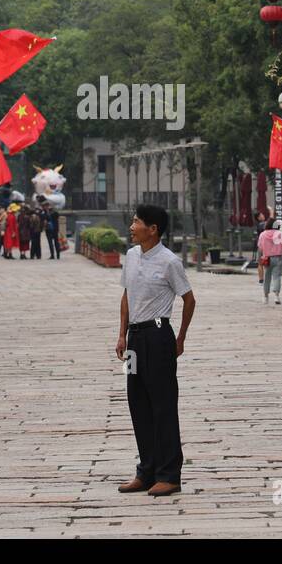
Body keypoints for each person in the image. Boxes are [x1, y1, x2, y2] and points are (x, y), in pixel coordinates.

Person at [115, 204, 195, 497]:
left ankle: (169, 474)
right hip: (135, 340)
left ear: (153, 230)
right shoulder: (132, 256)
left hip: (159, 338)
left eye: (136, 222)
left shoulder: (169, 261)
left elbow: (189, 300)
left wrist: (181, 338)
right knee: (137, 401)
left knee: (162, 405)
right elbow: (126, 295)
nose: (132, 226)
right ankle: (146, 471)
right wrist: (121, 333)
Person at [257, 218, 282, 305]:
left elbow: (260, 248)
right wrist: (280, 251)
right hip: (278, 258)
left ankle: (265, 297)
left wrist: (260, 258)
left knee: (267, 278)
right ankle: (276, 296)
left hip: (267, 258)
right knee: (277, 277)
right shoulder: (280, 234)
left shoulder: (263, 234)